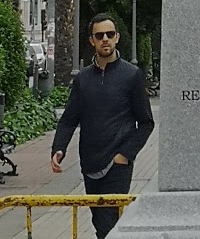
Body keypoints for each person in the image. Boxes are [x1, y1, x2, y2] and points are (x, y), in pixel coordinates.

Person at [50, 13, 154, 237]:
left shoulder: (132, 75)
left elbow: (146, 123)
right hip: (90, 163)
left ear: (116, 37)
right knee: (100, 223)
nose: (105, 39)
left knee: (107, 224)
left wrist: (124, 155)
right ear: (92, 41)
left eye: (109, 34)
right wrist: (59, 149)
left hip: (117, 165)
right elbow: (69, 118)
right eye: (99, 35)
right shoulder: (83, 79)